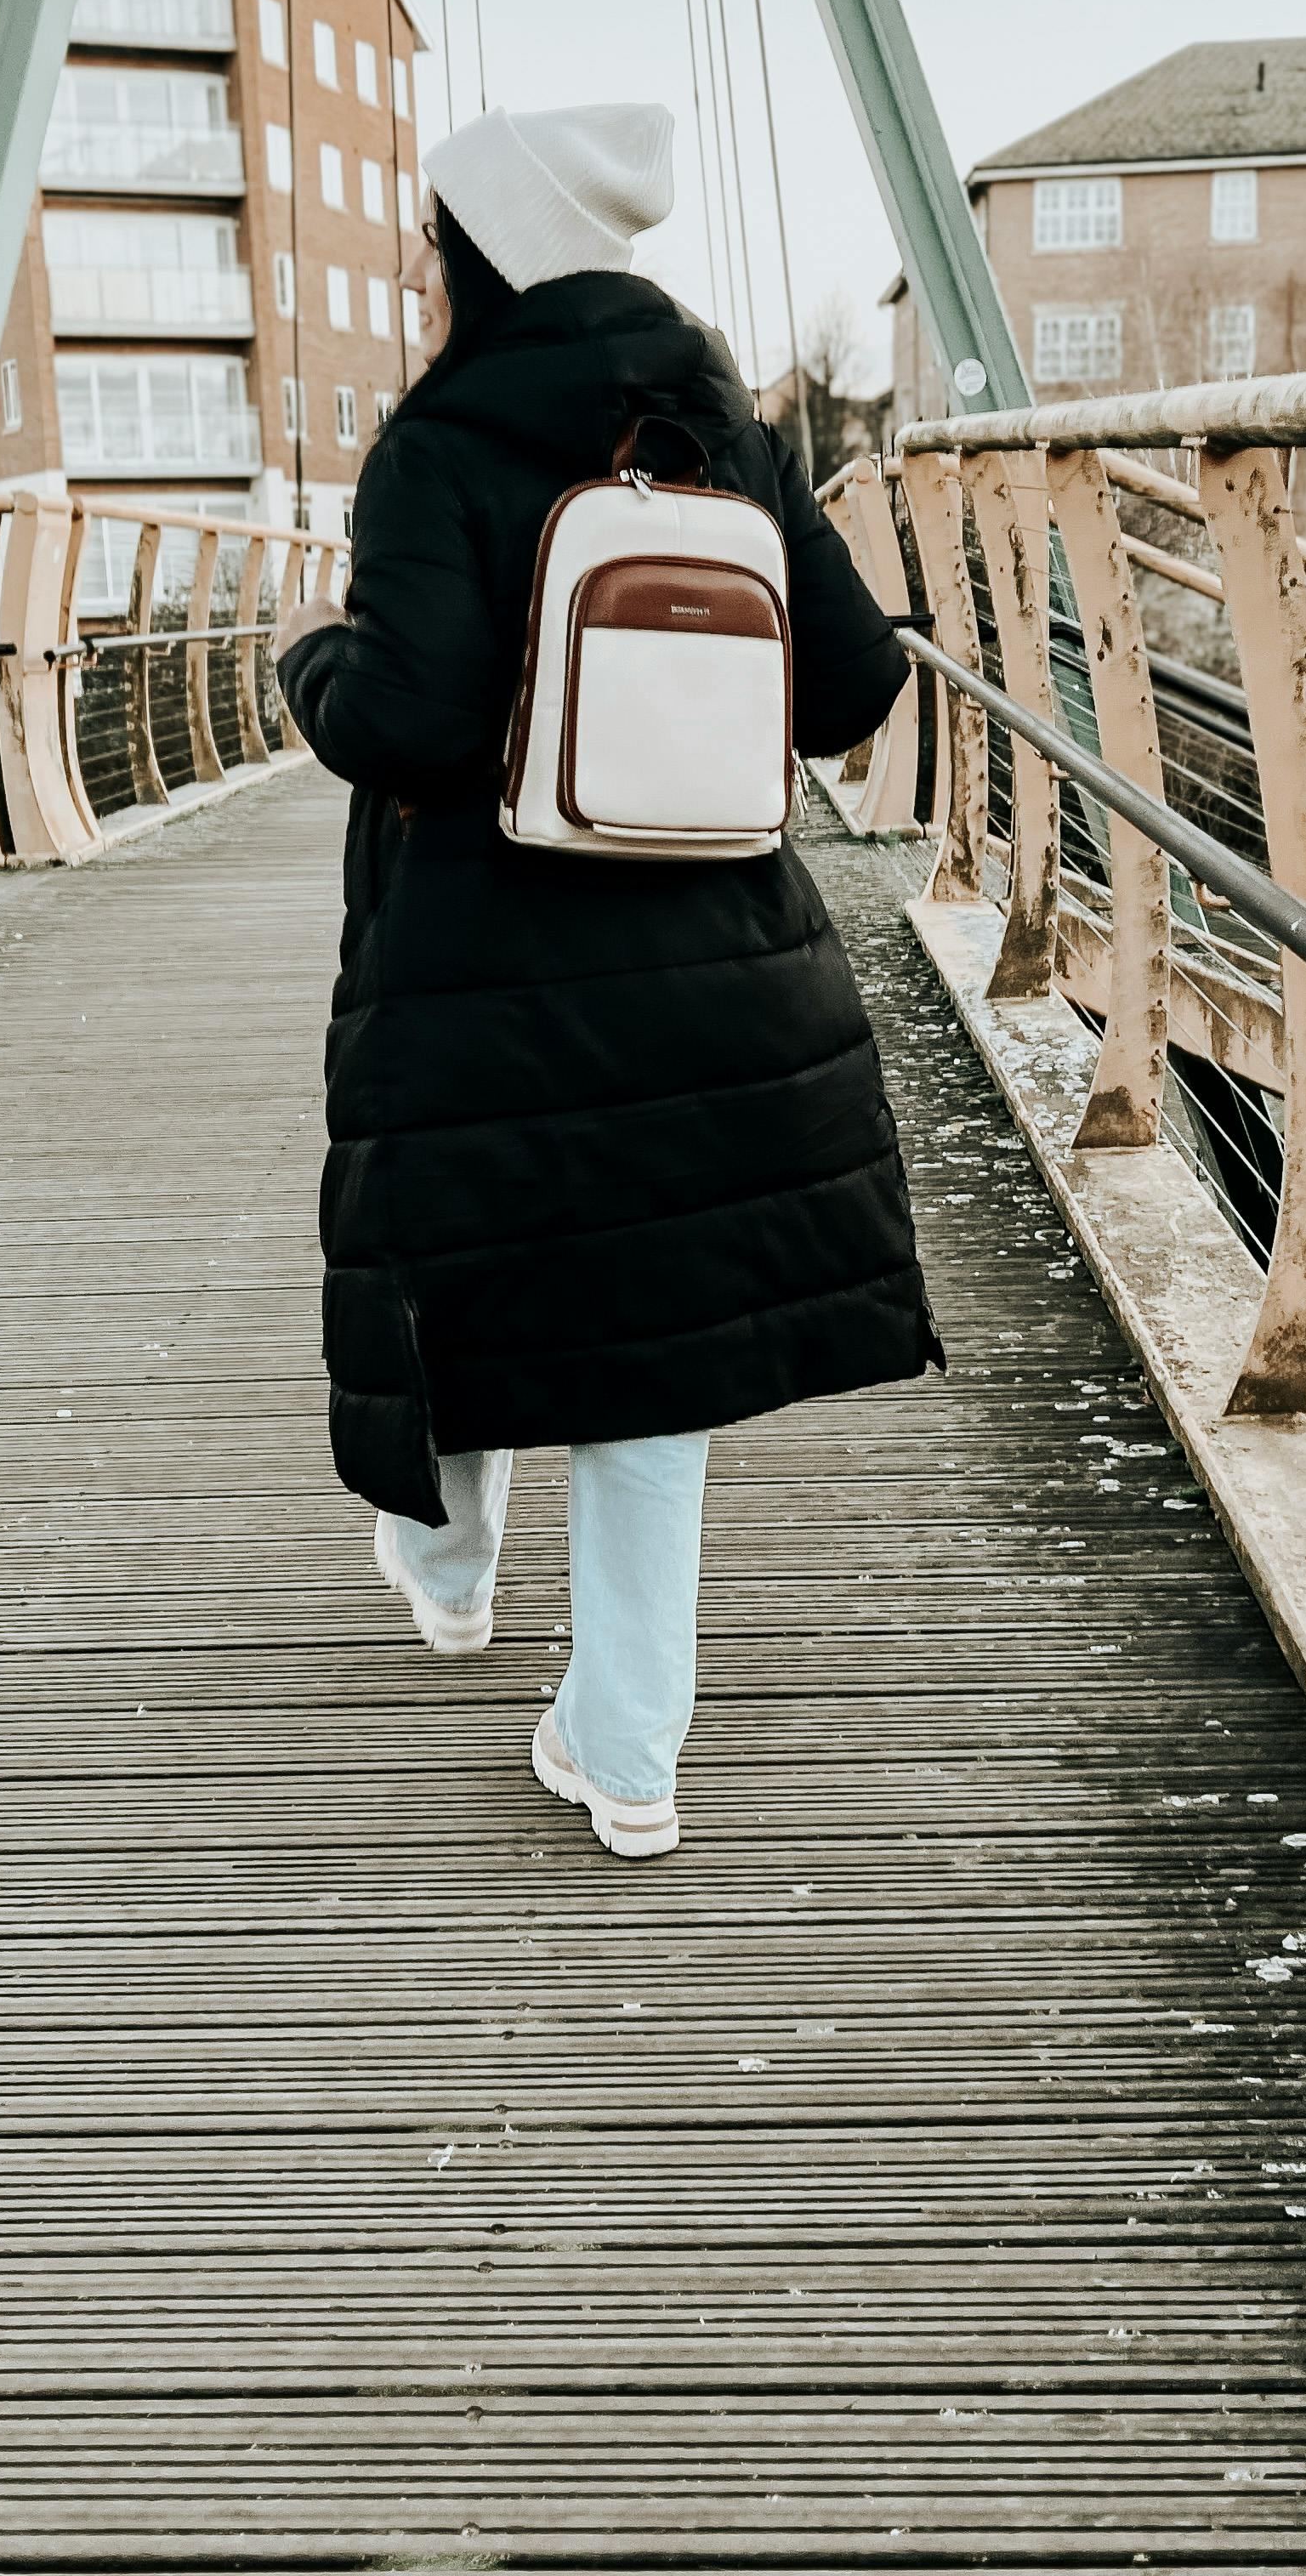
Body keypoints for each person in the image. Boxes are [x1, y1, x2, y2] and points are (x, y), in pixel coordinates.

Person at [275, 101, 937, 1859]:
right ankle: (627, 1756)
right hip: (714, 963)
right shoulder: (725, 434)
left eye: (433, 244)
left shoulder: (439, 445)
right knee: (650, 1354)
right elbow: (855, 686)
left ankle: (448, 1572)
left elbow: (408, 719)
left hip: (478, 958)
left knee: (459, 1263)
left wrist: (310, 659)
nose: (419, 273)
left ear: (487, 255)